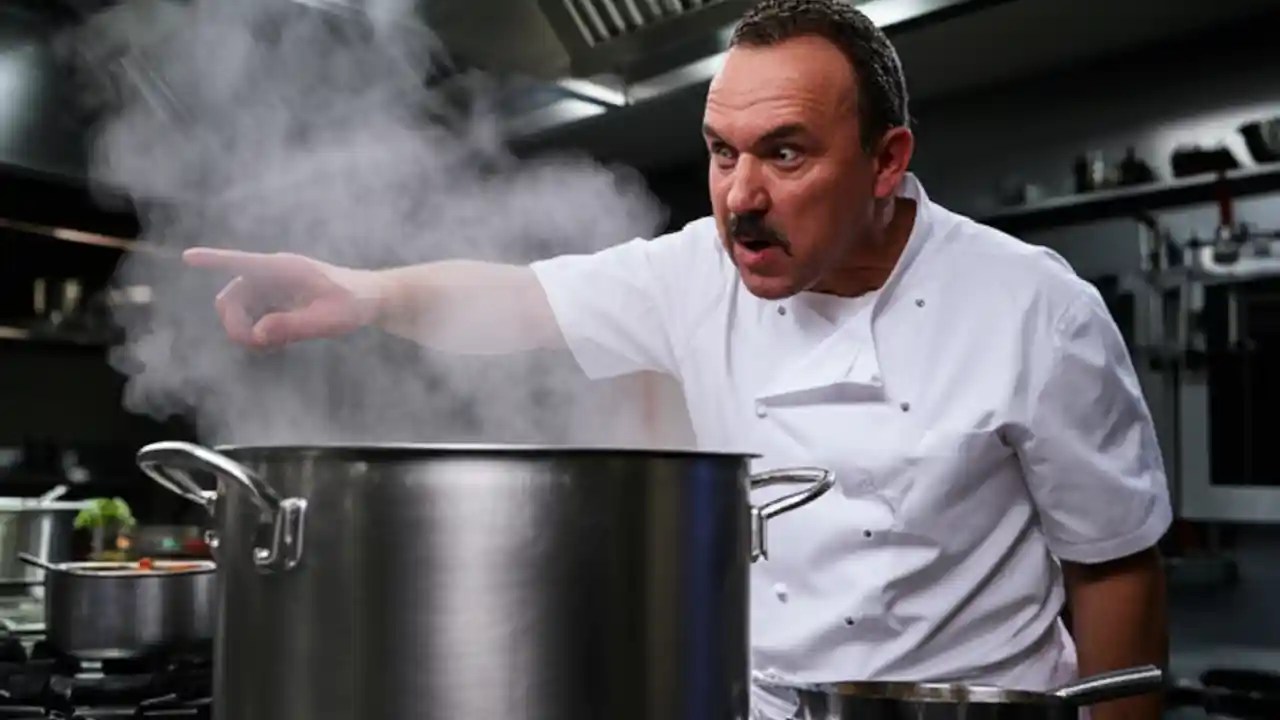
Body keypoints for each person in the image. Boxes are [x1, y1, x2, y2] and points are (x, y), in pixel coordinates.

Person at [183, 0, 1171, 718]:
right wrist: (366, 292)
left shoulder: (1031, 306)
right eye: (719, 152)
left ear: (884, 161)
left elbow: (1115, 569)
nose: (738, 196)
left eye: (783, 153)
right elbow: (518, 299)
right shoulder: (695, 272)